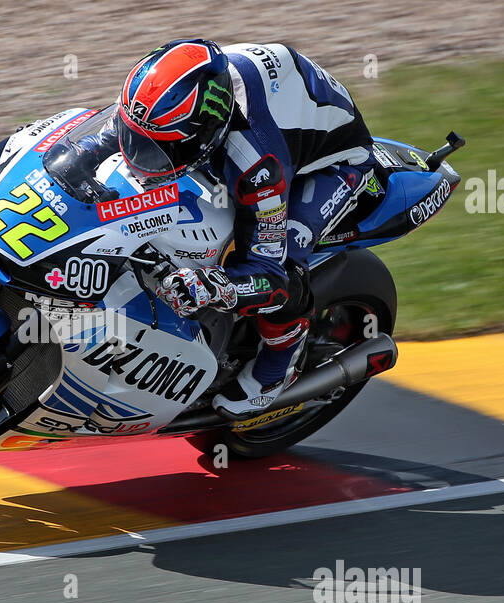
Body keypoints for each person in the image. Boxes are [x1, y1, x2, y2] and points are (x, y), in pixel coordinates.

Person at [113, 39, 383, 417]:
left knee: (286, 264)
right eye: (135, 138)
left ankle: (278, 369)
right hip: (283, 110)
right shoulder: (170, 102)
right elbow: (115, 134)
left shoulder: (256, 165)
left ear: (206, 135)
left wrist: (214, 286)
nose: (139, 158)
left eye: (158, 150)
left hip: (334, 166)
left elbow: (269, 278)